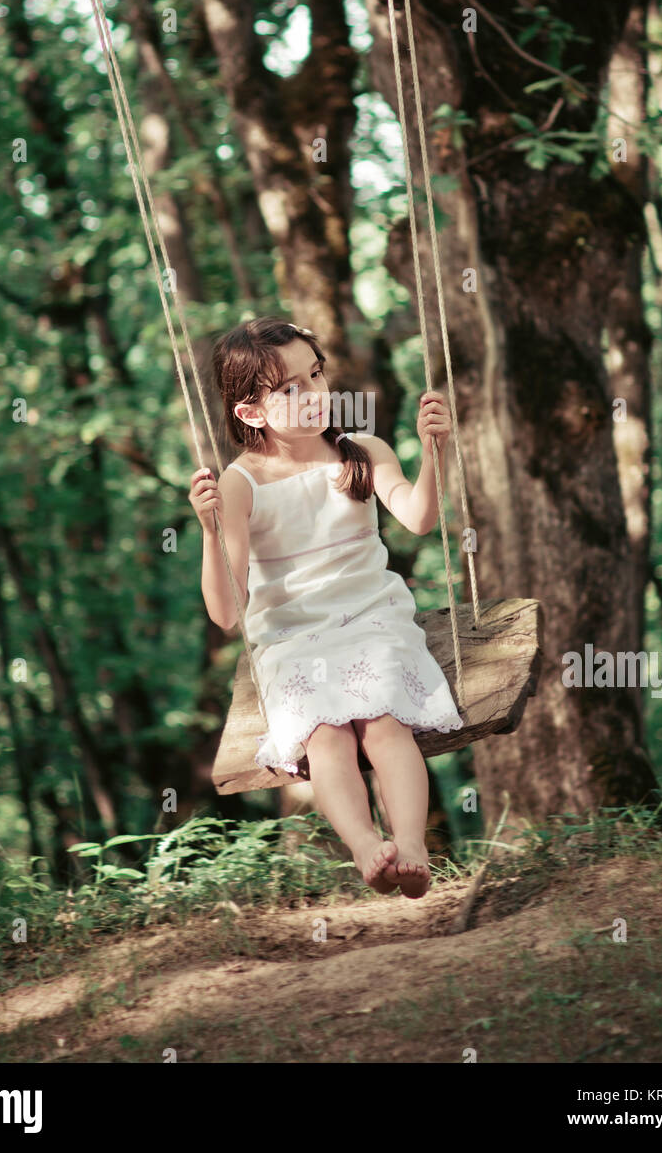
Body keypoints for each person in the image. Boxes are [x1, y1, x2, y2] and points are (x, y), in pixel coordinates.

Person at [189, 317, 464, 899]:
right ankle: (368, 848)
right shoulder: (243, 485)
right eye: (289, 390)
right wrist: (212, 534)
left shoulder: (361, 452)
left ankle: (411, 847)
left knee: (386, 726)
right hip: (294, 640)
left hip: (371, 620)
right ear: (250, 413)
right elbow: (225, 613)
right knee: (327, 736)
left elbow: (418, 518)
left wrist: (435, 452)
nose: (315, 395)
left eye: (316, 375)